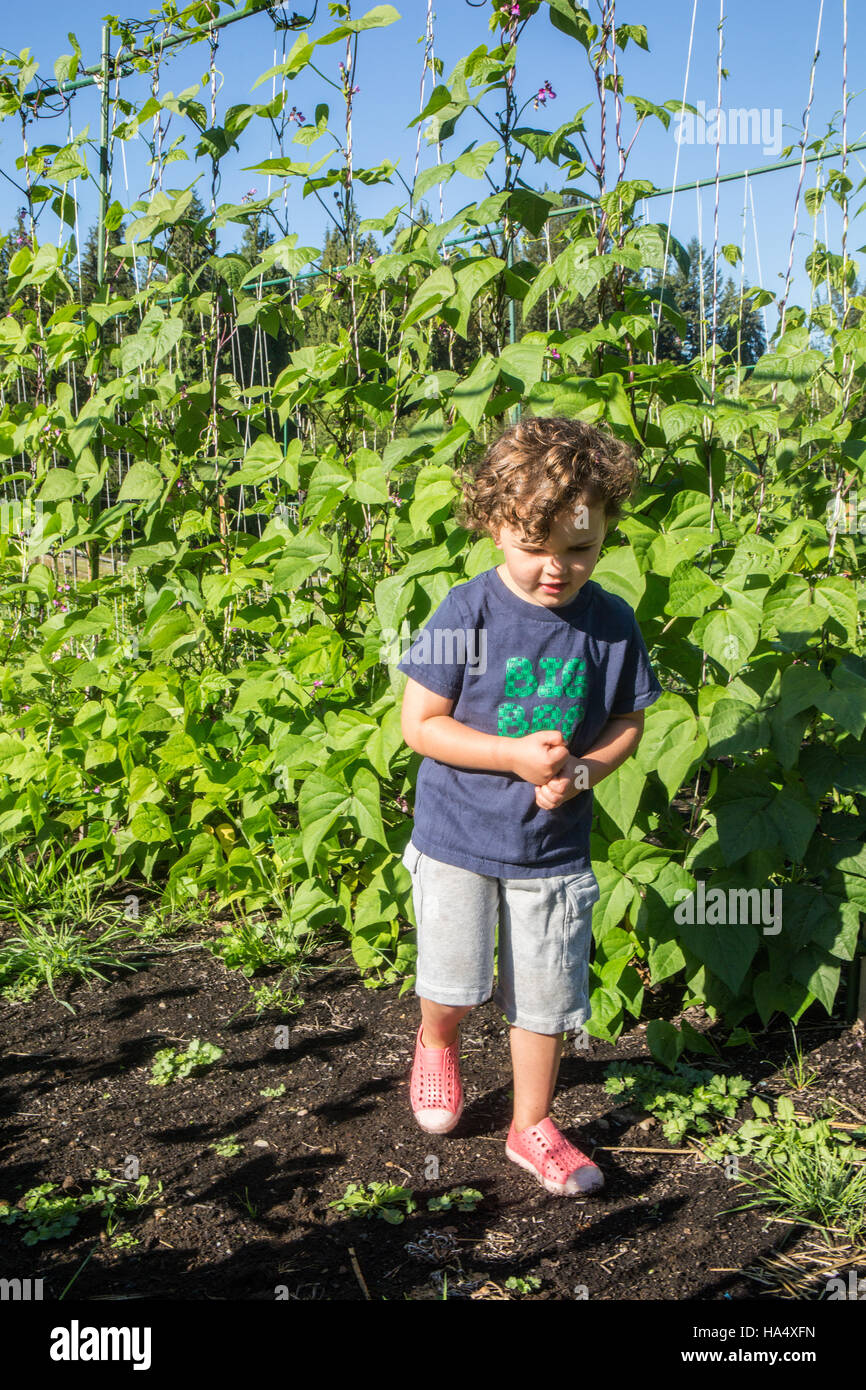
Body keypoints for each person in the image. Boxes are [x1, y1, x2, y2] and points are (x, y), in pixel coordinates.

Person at [395, 414, 663, 1196]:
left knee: (544, 997)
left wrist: (582, 773)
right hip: (456, 837)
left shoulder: (610, 623)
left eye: (579, 550)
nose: (557, 569)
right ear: (492, 525)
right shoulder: (464, 610)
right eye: (533, 547)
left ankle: (531, 1124)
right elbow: (420, 725)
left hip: (551, 848)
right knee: (453, 981)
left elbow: (628, 722)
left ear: (606, 530)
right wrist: (511, 755)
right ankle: (436, 1039)